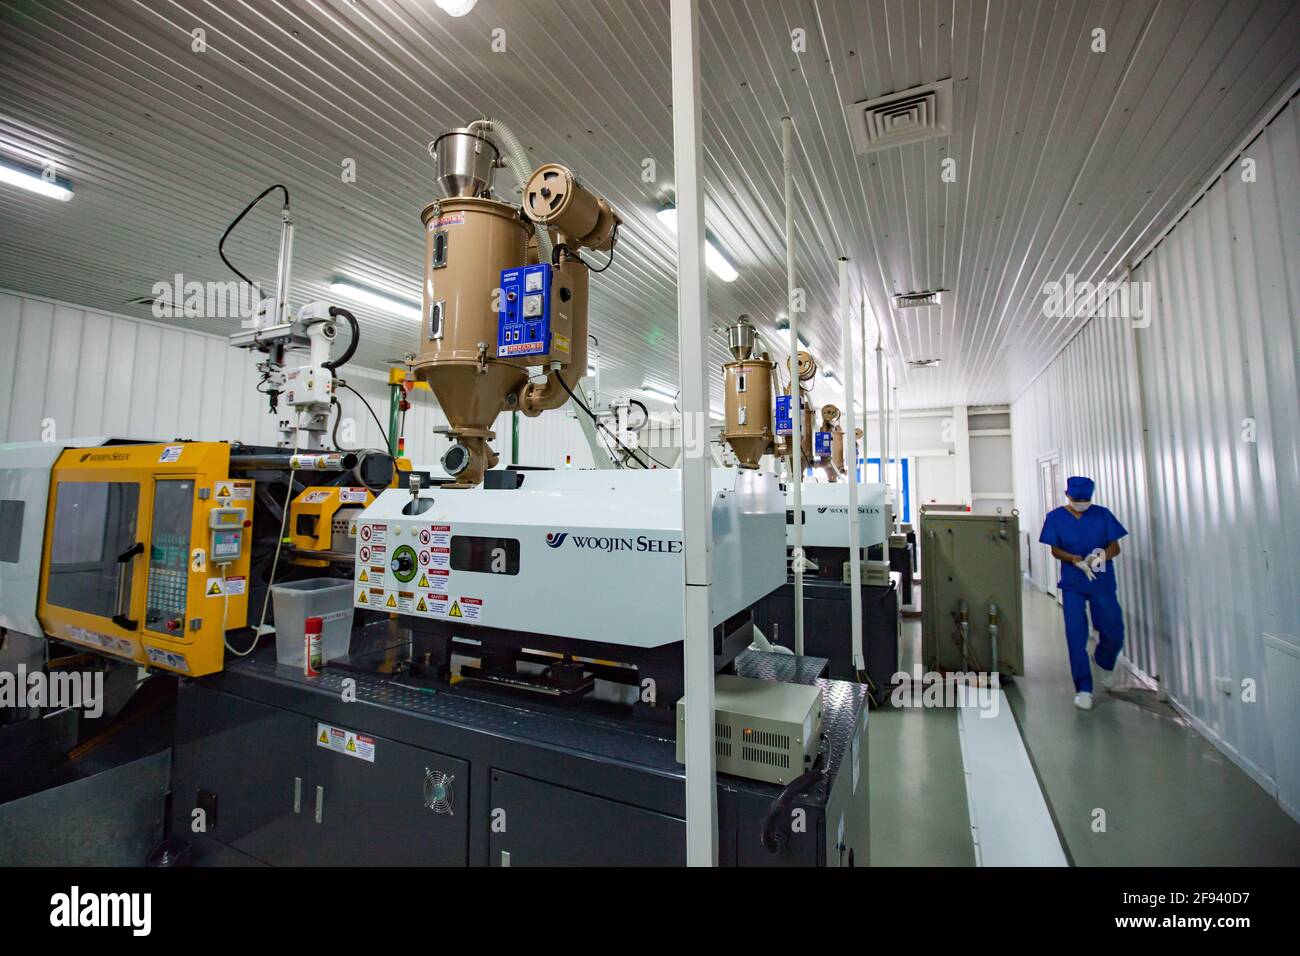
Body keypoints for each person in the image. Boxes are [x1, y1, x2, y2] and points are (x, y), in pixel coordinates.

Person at [1038, 476, 1128, 711]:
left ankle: (1104, 661)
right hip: (1073, 582)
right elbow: (1055, 550)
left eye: (1085, 500)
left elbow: (1115, 546)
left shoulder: (1102, 515)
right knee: (1076, 634)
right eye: (1077, 499)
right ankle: (1084, 688)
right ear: (1068, 496)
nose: (1081, 503)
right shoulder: (1056, 518)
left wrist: (1100, 557)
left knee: (1113, 629)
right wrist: (1074, 559)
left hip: (1102, 581)